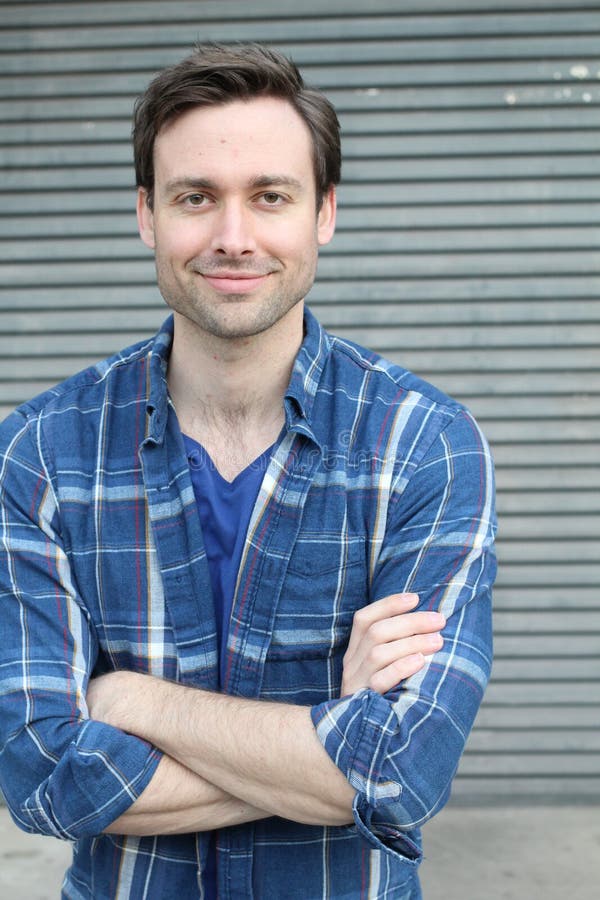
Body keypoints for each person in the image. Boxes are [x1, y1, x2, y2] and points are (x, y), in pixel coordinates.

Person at [0, 43, 496, 900]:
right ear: (148, 214)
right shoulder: (42, 452)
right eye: (196, 198)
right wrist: (332, 745)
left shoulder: (425, 444)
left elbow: (406, 774)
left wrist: (126, 702)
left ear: (324, 213)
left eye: (271, 196)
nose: (234, 238)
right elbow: (43, 777)